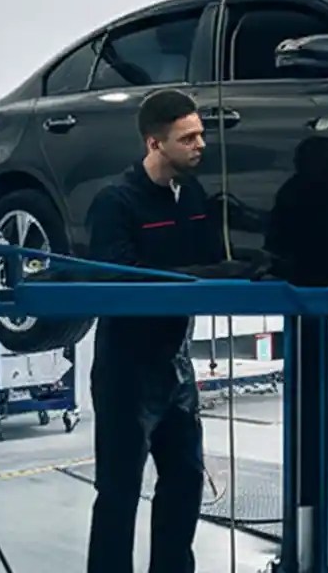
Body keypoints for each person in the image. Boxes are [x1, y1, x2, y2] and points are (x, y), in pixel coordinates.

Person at [84, 88, 222, 573]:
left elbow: (208, 258)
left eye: (201, 134)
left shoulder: (194, 196)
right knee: (119, 493)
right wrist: (200, 277)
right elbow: (123, 280)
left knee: (185, 481)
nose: (200, 145)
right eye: (188, 138)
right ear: (154, 144)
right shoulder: (115, 202)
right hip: (126, 369)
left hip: (174, 366)